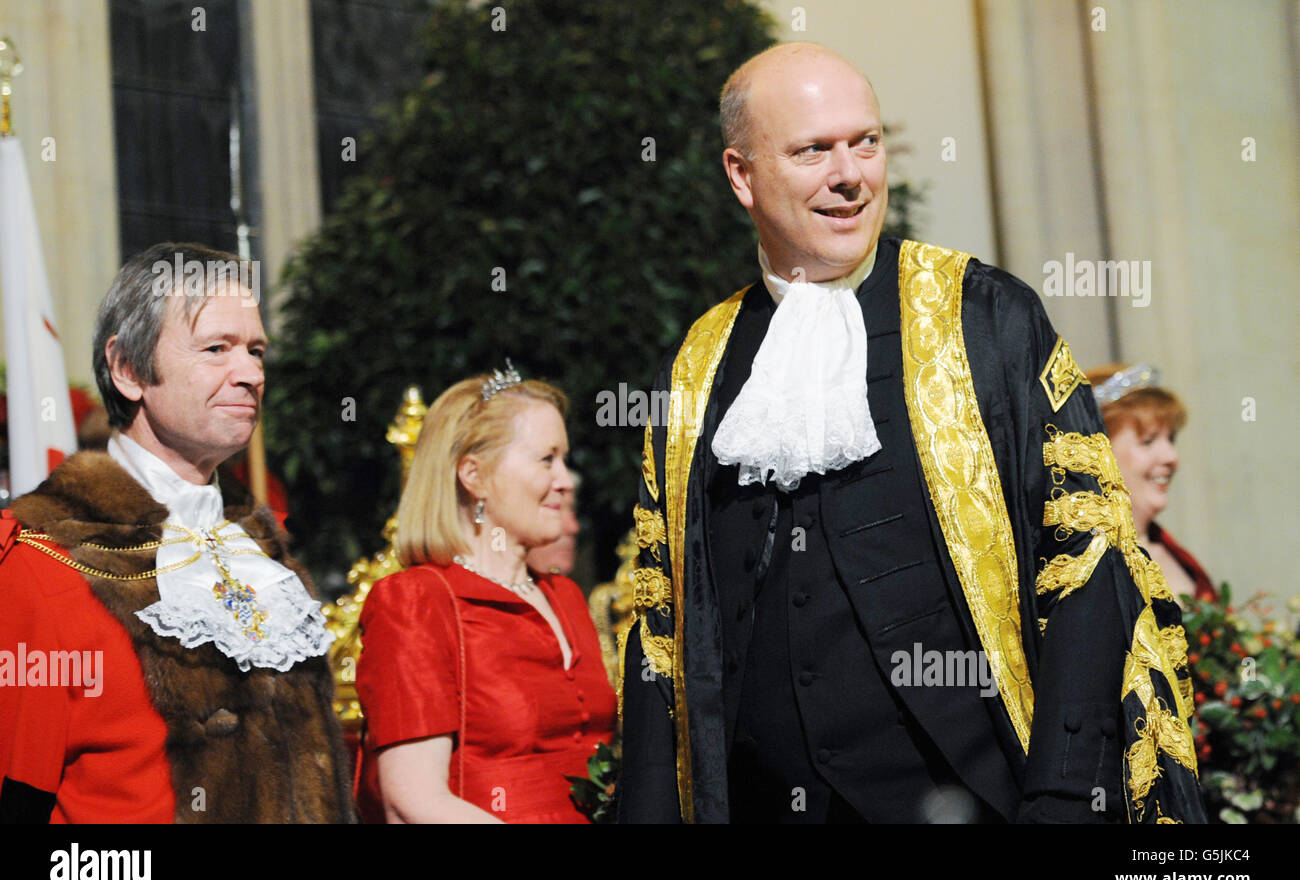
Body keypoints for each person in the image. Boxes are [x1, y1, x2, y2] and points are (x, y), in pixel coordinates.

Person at [619, 42, 1205, 823]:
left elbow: (1089, 559)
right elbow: (662, 638)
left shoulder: (988, 318)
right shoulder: (693, 369)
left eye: (865, 141)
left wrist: (1063, 795)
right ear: (741, 174)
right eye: (812, 150)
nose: (850, 174)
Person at [0, 242, 354, 823]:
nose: (250, 374)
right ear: (128, 370)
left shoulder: (264, 548)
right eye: (216, 348)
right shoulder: (43, 558)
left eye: (256, 351)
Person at [355, 368, 616, 823]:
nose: (566, 479)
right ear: (474, 475)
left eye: (564, 459)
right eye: (546, 459)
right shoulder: (417, 601)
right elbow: (412, 802)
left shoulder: (568, 597)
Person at [1088, 363, 1215, 602]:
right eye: (1148, 441)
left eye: (1171, 439)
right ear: (1099, 453)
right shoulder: (1087, 566)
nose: (1172, 457)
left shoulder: (1179, 557)